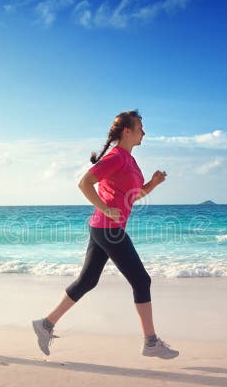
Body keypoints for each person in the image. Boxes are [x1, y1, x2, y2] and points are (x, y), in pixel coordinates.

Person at [32, 110, 179, 359]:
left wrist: (152, 184)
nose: (144, 132)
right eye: (140, 127)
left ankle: (45, 325)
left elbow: (132, 196)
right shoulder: (116, 158)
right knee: (141, 281)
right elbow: (84, 183)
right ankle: (151, 342)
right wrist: (104, 208)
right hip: (108, 229)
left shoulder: (130, 161)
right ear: (127, 131)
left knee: (88, 280)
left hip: (103, 228)